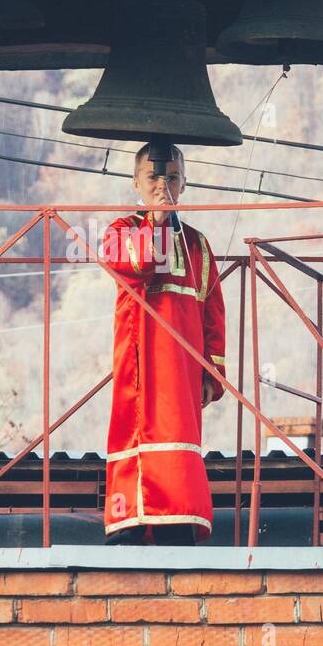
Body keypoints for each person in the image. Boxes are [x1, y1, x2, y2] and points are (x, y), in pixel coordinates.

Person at [99, 142, 226, 545]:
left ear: (185, 183)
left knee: (178, 438)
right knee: (136, 432)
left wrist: (213, 371)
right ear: (136, 181)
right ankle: (131, 519)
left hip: (183, 370)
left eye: (172, 177)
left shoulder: (197, 245)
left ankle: (179, 517)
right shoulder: (119, 231)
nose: (163, 185)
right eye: (154, 176)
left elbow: (213, 313)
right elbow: (136, 264)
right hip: (140, 362)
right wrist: (157, 220)